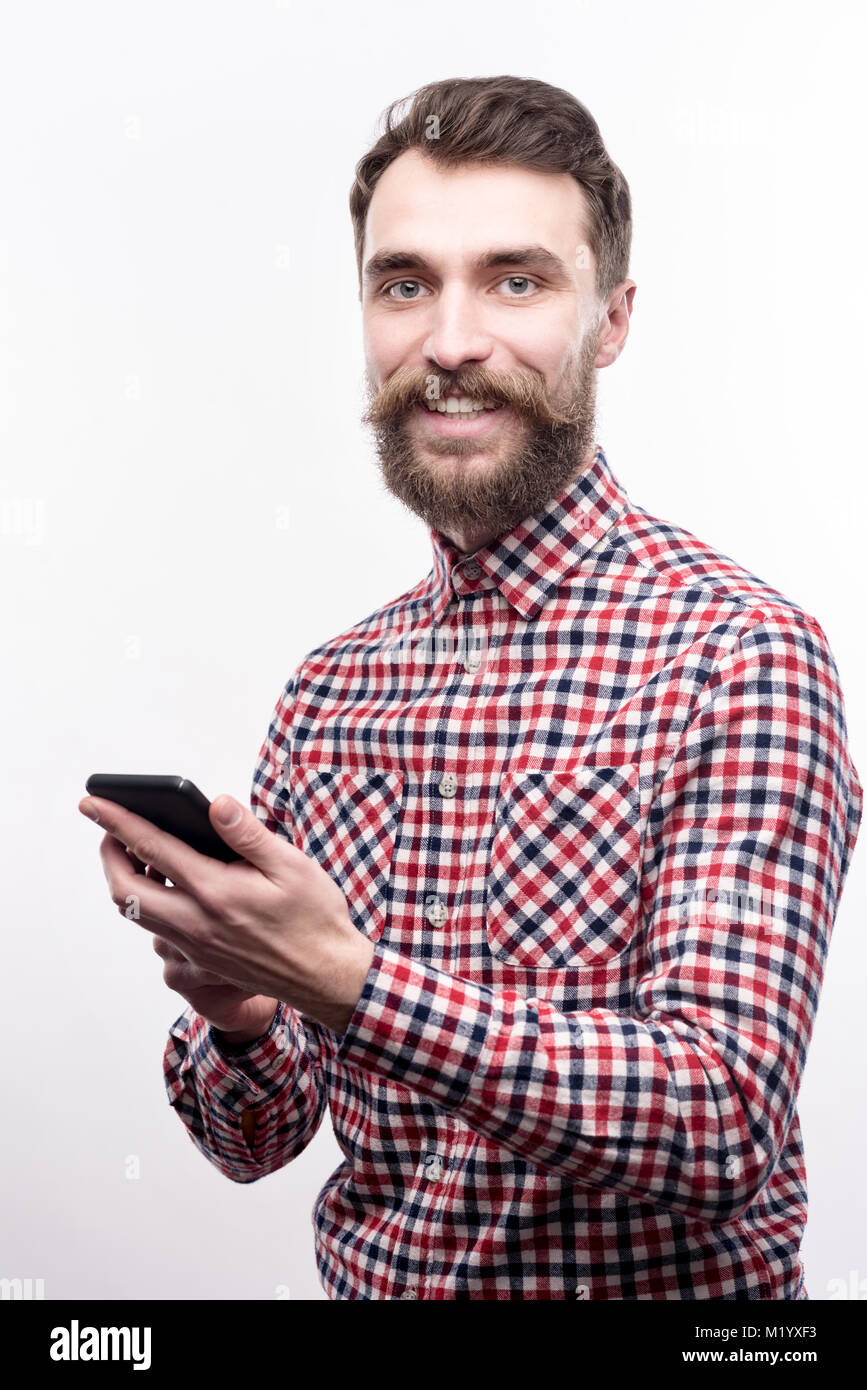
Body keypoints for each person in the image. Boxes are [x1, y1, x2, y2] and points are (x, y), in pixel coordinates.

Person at [80, 75, 862, 1301]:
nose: (449, 341)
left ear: (610, 319)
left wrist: (350, 979)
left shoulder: (741, 656)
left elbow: (720, 1119)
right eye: (405, 283)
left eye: (516, 279)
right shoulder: (332, 692)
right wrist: (238, 1003)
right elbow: (255, 1143)